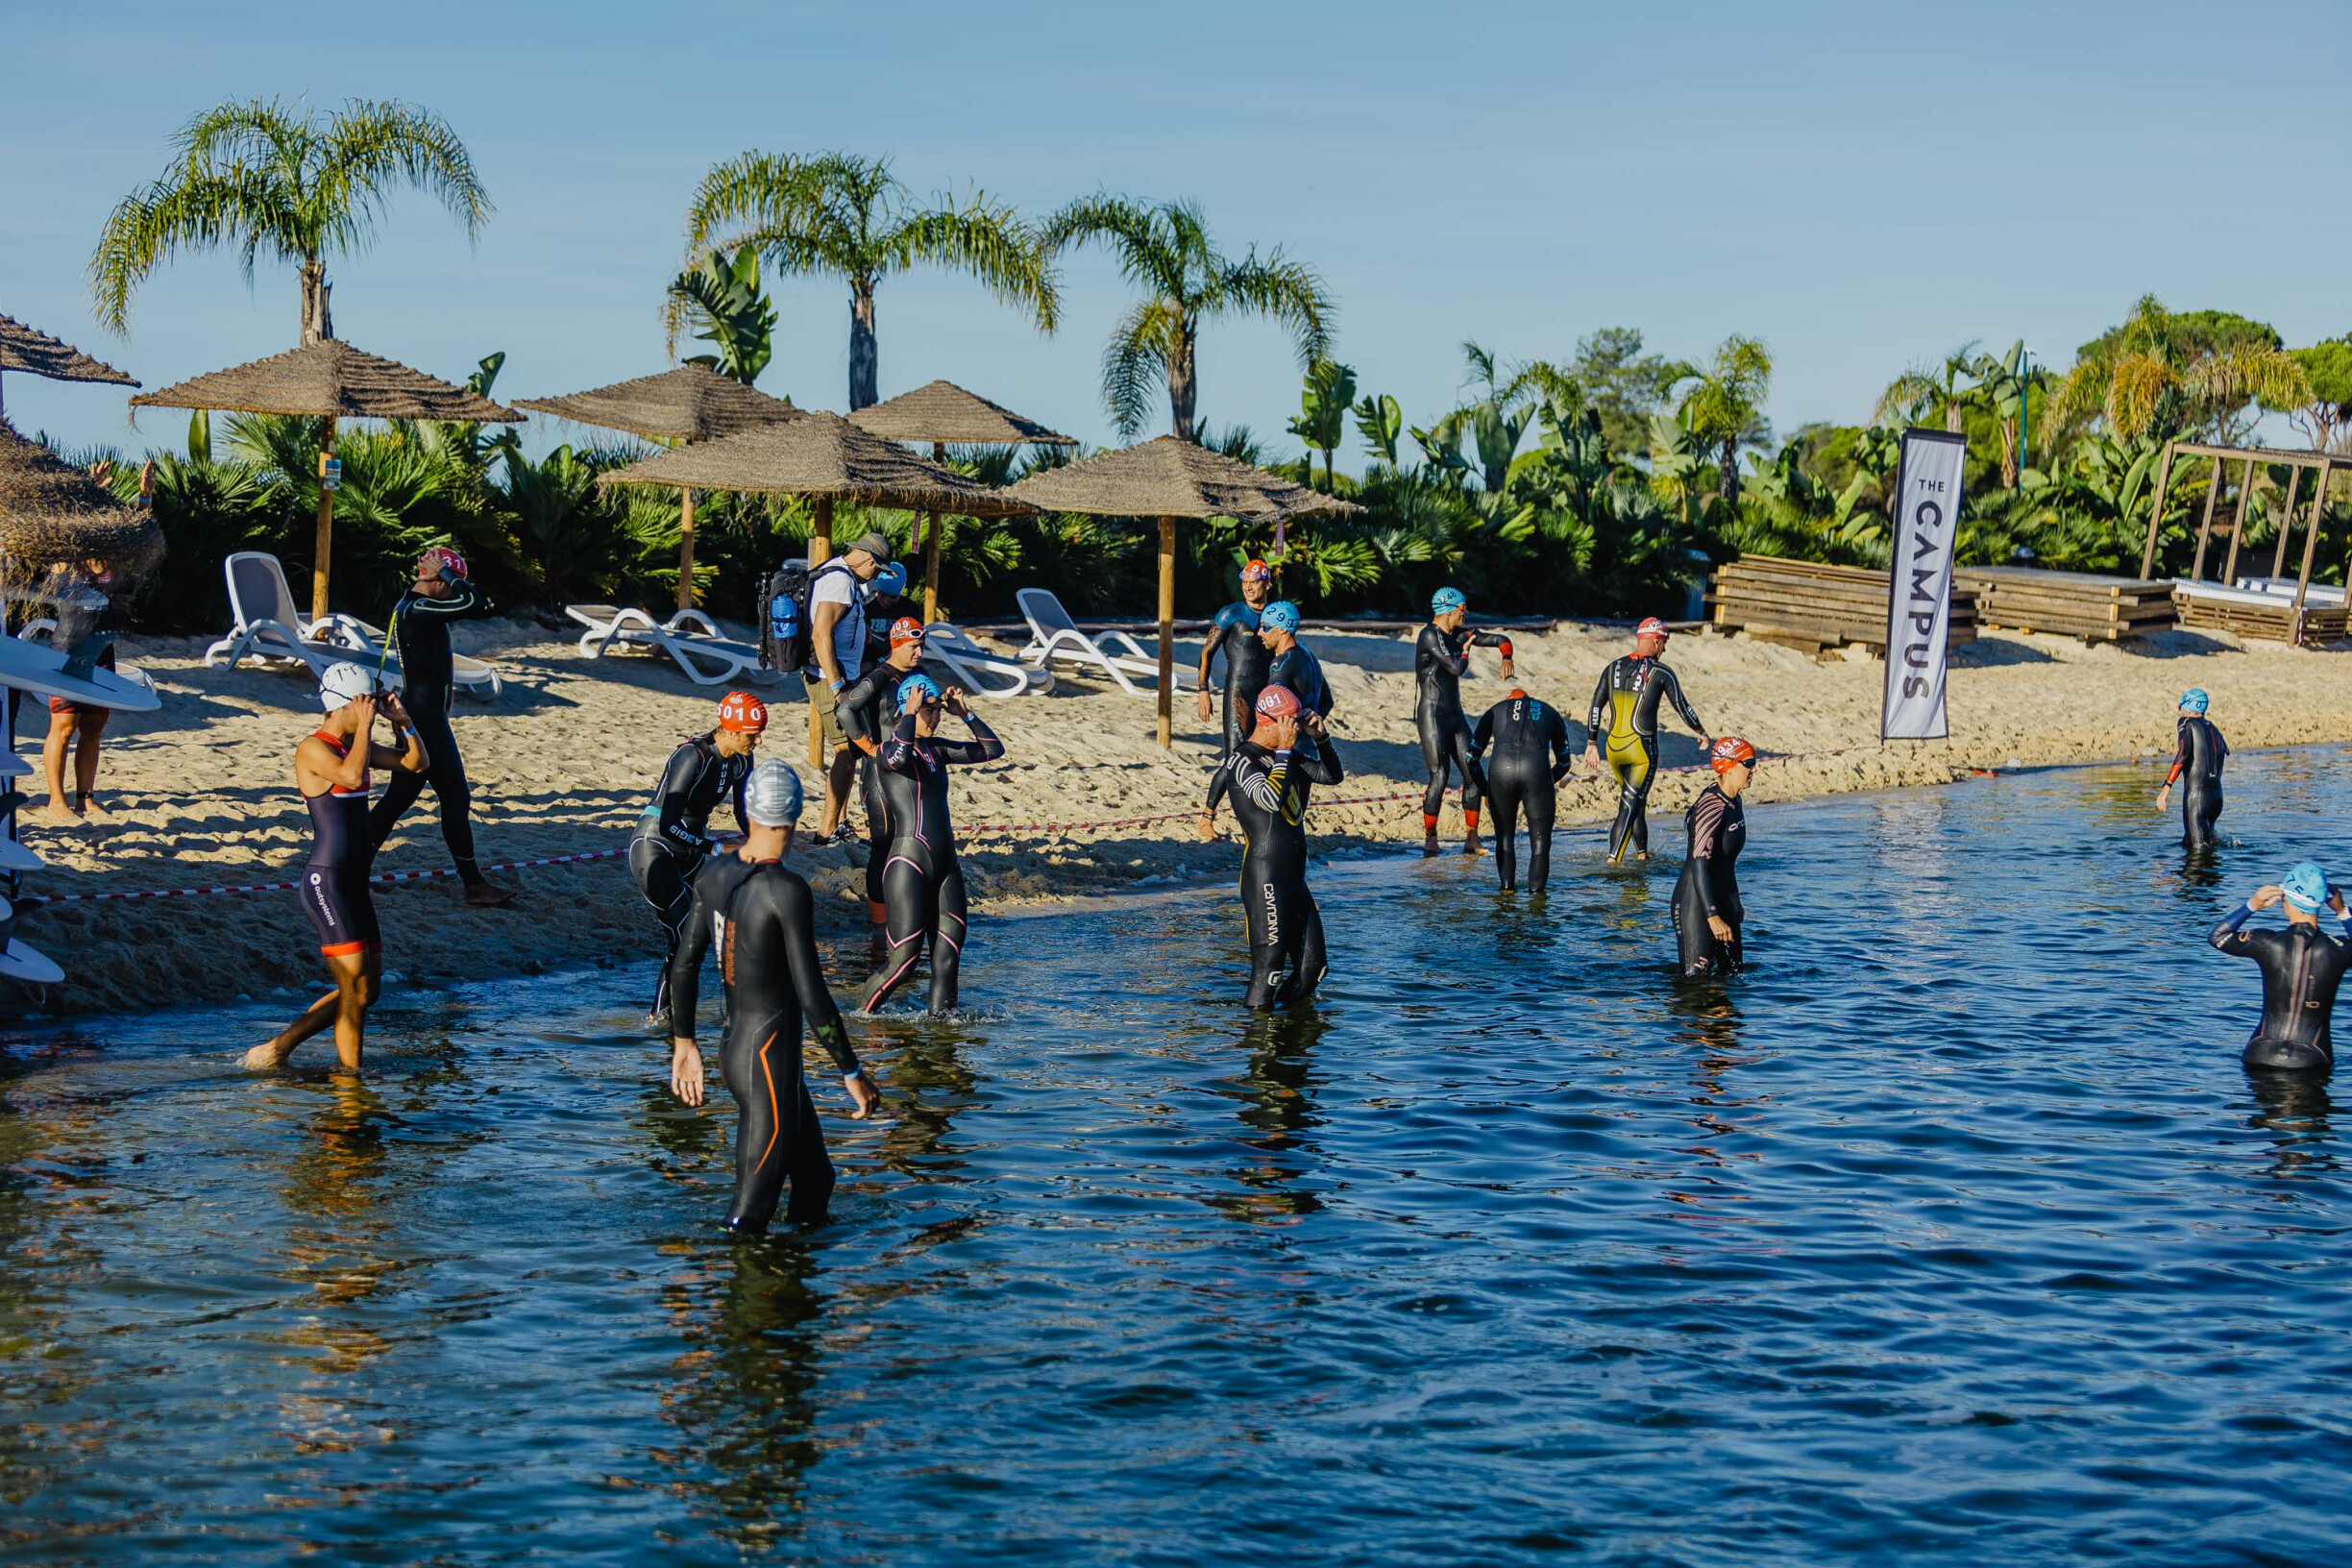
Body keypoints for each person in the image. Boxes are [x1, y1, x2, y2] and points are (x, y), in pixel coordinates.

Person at [668, 758, 882, 1233]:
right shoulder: (785, 890)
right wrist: (852, 1070)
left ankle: (798, 1288)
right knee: (749, 1216)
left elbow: (684, 963)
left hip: (738, 1050)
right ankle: (714, 1295)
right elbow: (811, 992)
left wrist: (684, 1043)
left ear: (748, 810)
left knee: (816, 1180)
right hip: (768, 1061)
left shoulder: (716, 871)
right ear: (797, 815)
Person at [243, 663, 428, 1073]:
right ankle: (350, 1078)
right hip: (326, 883)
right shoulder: (315, 747)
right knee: (353, 988)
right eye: (366, 703)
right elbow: (350, 773)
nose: (371, 711)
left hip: (354, 883)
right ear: (343, 705)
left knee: (367, 989)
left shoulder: (354, 746)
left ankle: (276, 1049)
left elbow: (416, 764)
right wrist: (364, 728)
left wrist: (404, 723)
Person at [368, 548, 516, 906]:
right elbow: (476, 604)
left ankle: (351, 870)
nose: (452, 592)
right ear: (435, 580)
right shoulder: (419, 608)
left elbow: (472, 603)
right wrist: (450, 575)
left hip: (421, 712)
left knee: (398, 799)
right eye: (448, 585)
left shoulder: (410, 606)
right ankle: (474, 885)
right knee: (456, 797)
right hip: (425, 720)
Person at [862, 674, 1005, 1014]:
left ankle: (942, 1036)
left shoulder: (937, 749)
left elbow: (992, 749)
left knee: (948, 955)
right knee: (903, 962)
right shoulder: (886, 752)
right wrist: (909, 714)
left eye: (937, 710)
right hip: (908, 864)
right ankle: (860, 1020)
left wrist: (965, 714)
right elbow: (898, 757)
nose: (935, 717)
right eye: (929, 711)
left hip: (945, 865)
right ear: (907, 709)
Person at [630, 691, 765, 1032]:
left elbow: (741, 810)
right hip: (655, 845)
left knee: (698, 933)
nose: (758, 741)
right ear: (731, 731)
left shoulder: (741, 759)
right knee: (680, 933)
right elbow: (669, 824)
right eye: (753, 734)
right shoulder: (692, 756)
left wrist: (758, 843)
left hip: (691, 849)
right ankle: (658, 1020)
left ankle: (671, 1018)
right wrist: (716, 850)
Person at [34, 460, 150, 822]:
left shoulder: (112, 559)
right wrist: (83, 488)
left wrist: (144, 496)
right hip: (67, 647)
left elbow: (139, 534)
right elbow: (56, 529)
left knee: (94, 729)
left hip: (101, 649)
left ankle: (85, 797)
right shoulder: (66, 560)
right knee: (64, 727)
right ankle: (56, 800)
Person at [1223, 684, 1345, 1010]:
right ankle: (1258, 1046)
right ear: (1268, 722)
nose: (1295, 727)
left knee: (1313, 971)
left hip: (1294, 882)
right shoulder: (1240, 760)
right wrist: (1286, 751)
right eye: (1290, 721)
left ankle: (1290, 1048)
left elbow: (1333, 776)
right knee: (1268, 973)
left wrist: (1320, 737)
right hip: (1265, 880)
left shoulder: (1289, 755)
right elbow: (1270, 799)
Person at [1584, 616, 1708, 863]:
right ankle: (1612, 863)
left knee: (1636, 802)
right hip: (1641, 751)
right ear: (1654, 640)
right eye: (1664, 642)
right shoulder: (1662, 672)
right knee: (1629, 804)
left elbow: (1596, 706)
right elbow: (1682, 706)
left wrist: (1591, 744)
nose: (1665, 648)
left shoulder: (1612, 668)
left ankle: (1642, 856)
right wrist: (1700, 731)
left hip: (1613, 749)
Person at [2209, 864, 2352, 1073]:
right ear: (2322, 902)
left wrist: (2251, 905)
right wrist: (2342, 912)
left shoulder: (2267, 942)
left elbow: (2217, 937)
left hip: (2260, 1054)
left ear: (2286, 899)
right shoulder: (2339, 949)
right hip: (2312, 1059)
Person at [838, 617, 929, 928]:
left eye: (921, 646)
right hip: (881, 773)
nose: (919, 653)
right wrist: (869, 747)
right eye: (913, 647)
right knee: (883, 845)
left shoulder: (920, 674)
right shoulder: (879, 676)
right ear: (897, 645)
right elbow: (845, 710)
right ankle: (879, 924)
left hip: (913, 770)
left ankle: (904, 912)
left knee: (912, 841)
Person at [804, 533, 894, 842]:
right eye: (878, 570)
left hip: (841, 674)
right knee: (844, 751)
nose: (877, 576)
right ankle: (825, 831)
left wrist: (861, 631)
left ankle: (840, 824)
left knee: (853, 750)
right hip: (830, 677)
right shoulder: (840, 582)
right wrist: (838, 685)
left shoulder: (840, 575)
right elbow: (820, 634)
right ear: (870, 561)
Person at [1415, 586, 1515, 857]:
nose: (1466, 612)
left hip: (1455, 716)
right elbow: (1456, 668)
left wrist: (1506, 655)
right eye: (1462, 609)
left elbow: (1500, 638)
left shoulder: (1458, 634)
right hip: (1432, 715)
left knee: (1472, 773)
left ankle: (1472, 838)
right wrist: (1466, 650)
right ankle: (1431, 840)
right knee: (1440, 775)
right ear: (1449, 611)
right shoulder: (1429, 636)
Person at [1471, 688, 1573, 894]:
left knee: (1505, 838)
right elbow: (1564, 762)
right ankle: (1536, 902)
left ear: (1508, 701)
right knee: (1540, 845)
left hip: (1501, 774)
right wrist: (1544, 782)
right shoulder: (1549, 711)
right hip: (1537, 773)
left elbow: (1470, 759)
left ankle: (1507, 893)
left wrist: (1485, 789)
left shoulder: (1496, 709)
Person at [1673, 736, 1755, 978]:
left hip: (1722, 897)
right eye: (1748, 763)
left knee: (1734, 974)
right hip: (1696, 902)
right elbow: (1700, 862)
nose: (1754, 769)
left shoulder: (1734, 800)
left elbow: (1727, 861)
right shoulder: (1711, 806)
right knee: (1695, 983)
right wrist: (1712, 915)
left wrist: (1734, 897)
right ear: (1727, 767)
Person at [1195, 558, 1276, 754]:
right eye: (1245, 582)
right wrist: (1203, 691)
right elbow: (1207, 651)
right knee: (1235, 755)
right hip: (1238, 693)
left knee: (1266, 753)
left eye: (1254, 582)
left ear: (1267, 584)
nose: (1248, 587)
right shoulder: (1230, 613)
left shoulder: (1275, 614)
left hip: (1268, 693)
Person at [2156, 688, 2227, 851]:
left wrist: (2166, 787)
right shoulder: (2215, 730)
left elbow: (2184, 752)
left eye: (2179, 706)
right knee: (2193, 844)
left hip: (2197, 797)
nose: (2179, 710)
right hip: (2217, 796)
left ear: (2188, 707)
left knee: (2198, 853)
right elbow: (2220, 763)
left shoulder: (2186, 722)